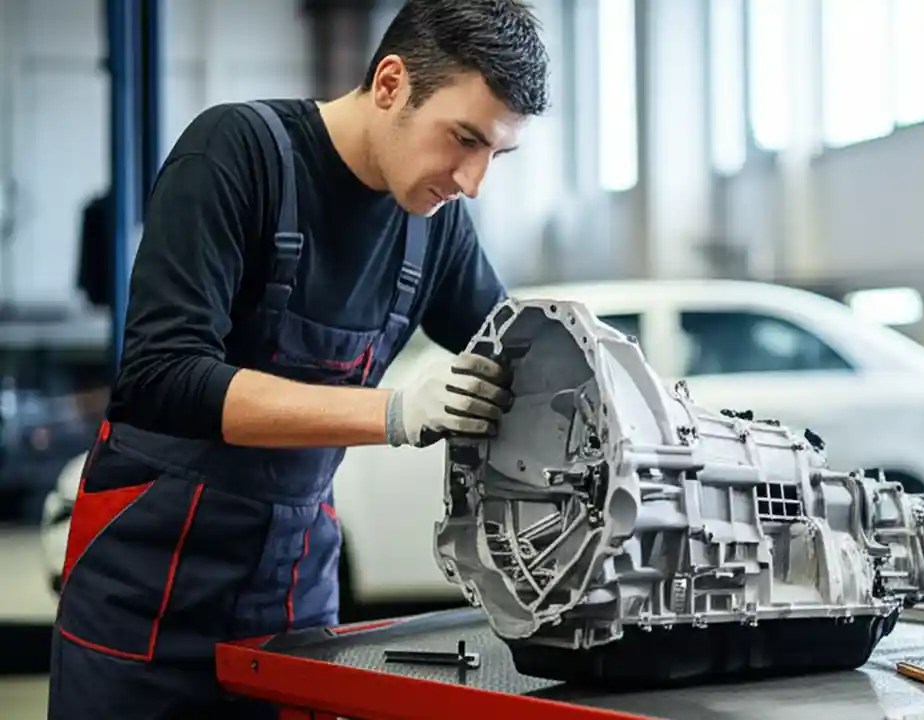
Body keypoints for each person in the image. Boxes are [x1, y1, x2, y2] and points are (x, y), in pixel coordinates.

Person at [47, 1, 549, 717]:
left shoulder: (434, 230)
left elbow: (521, 358)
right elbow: (163, 377)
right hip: (147, 593)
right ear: (389, 84)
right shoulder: (236, 154)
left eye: (495, 155)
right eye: (462, 139)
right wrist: (395, 411)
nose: (471, 182)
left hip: (292, 592)